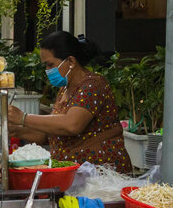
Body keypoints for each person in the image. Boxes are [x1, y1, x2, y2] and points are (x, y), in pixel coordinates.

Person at [7, 31, 133, 173]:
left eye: (50, 65)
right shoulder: (64, 89)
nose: (47, 71)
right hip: (76, 174)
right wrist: (16, 131)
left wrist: (23, 118)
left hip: (102, 175)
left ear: (71, 61)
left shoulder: (94, 85)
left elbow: (72, 125)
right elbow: (50, 134)